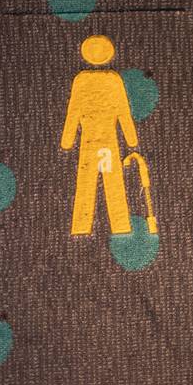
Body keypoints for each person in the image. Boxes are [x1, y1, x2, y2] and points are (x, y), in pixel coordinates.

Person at [60, 35, 138, 237]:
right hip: (105, 139)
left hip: (94, 138)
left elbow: (74, 111)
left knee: (88, 181)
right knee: (109, 180)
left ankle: (83, 225)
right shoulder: (111, 79)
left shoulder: (84, 80)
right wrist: (130, 138)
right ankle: (117, 225)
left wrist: (68, 140)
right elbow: (123, 110)